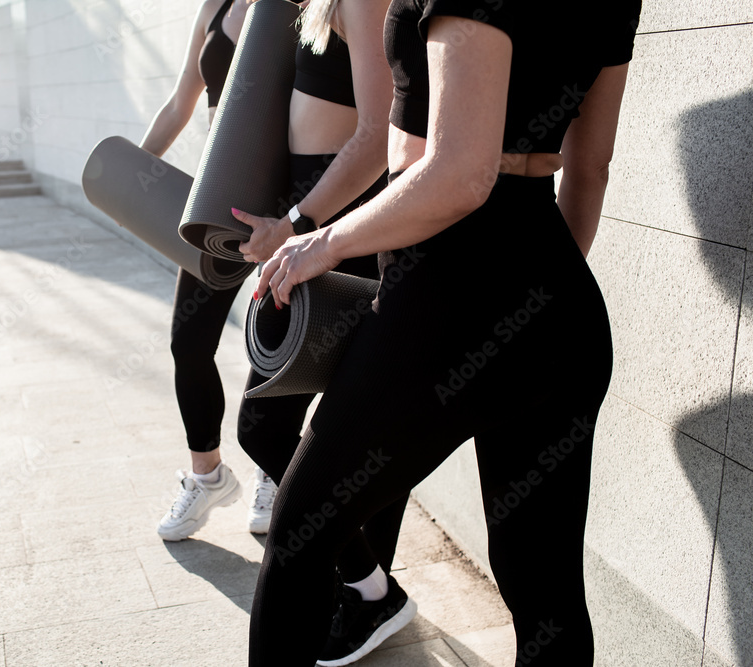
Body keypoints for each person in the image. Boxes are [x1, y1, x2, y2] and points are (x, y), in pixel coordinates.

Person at [248, 0, 642, 664]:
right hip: (558, 296)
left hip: (448, 285)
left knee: (301, 536)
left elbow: (462, 173)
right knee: (544, 590)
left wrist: (324, 242)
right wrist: (533, 303)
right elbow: (590, 167)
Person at [229, 0, 419, 663]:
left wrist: (304, 224)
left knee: (266, 425)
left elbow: (374, 132)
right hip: (316, 217)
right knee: (316, 430)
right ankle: (369, 587)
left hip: (339, 226)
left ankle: (371, 591)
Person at [139, 0, 270, 541]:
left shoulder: (305, 6)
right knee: (188, 343)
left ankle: (273, 470)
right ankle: (207, 475)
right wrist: (132, 174)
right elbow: (180, 103)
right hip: (217, 199)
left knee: (275, 341)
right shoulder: (215, 6)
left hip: (284, 201)